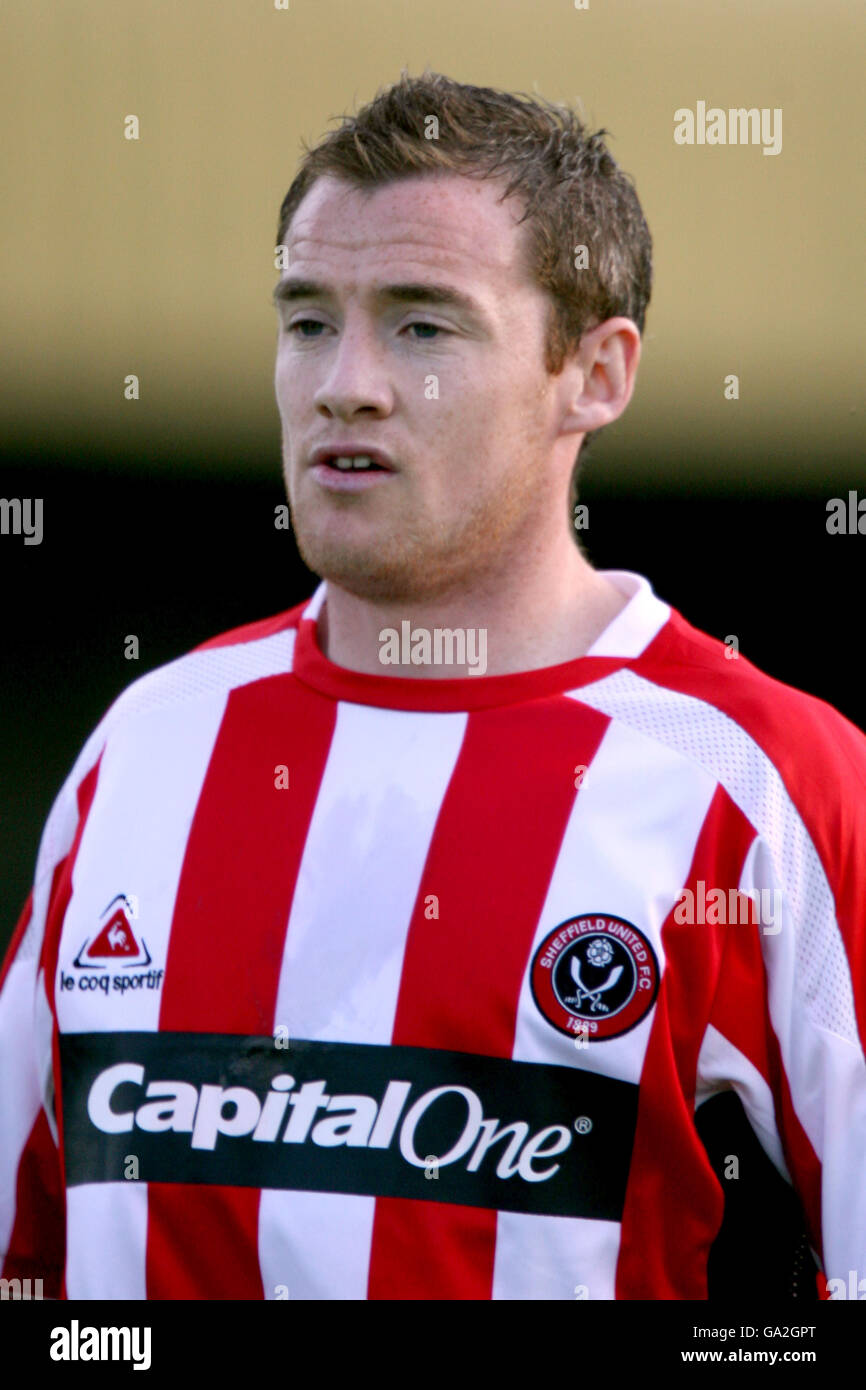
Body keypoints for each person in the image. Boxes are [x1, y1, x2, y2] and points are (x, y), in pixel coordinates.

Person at [1, 70, 864, 1302]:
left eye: (421, 324)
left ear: (596, 373)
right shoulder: (148, 742)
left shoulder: (767, 782)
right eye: (306, 319)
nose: (343, 381)